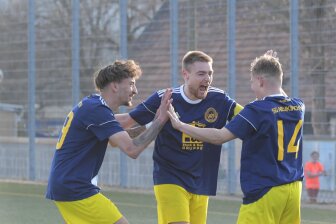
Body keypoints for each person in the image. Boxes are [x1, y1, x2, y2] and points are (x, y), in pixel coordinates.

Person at [168, 50, 305, 224]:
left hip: (266, 190)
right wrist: (270, 65)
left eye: (252, 82)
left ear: (261, 81)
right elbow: (276, 98)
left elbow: (219, 136)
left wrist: (180, 125)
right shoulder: (298, 107)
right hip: (294, 189)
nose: (252, 87)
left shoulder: (256, 111)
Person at [115, 50, 242, 224]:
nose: (207, 78)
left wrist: (269, 99)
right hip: (170, 177)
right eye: (201, 74)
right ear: (185, 74)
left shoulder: (219, 99)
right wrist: (92, 116)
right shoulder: (165, 98)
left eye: (210, 73)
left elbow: (248, 117)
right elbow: (127, 121)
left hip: (201, 181)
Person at [46, 60, 172, 224]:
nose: (135, 90)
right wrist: (160, 121)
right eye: (131, 84)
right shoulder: (97, 110)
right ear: (115, 85)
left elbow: (119, 138)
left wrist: (152, 123)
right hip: (75, 188)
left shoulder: (95, 106)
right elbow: (132, 149)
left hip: (67, 185)